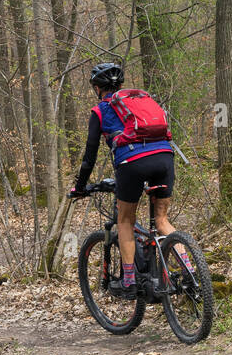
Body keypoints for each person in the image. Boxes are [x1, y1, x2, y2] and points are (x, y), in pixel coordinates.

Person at [69, 63, 178, 298]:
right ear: (119, 86)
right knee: (161, 220)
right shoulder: (139, 103)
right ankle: (189, 268)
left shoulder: (100, 111)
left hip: (132, 163)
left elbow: (90, 156)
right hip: (165, 157)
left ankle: (129, 281)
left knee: (125, 220)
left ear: (97, 88)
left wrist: (80, 187)